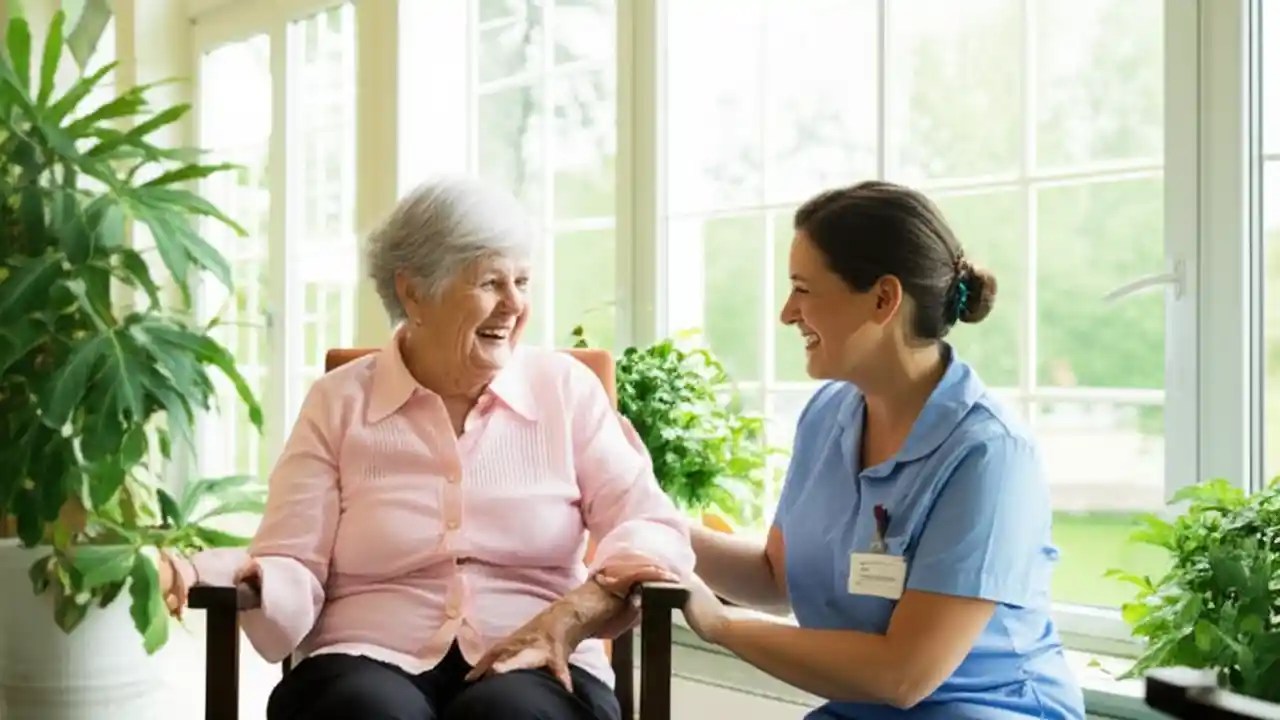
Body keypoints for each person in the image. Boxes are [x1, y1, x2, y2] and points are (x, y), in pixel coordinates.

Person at [157, 176, 694, 720]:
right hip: (365, 655)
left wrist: (581, 608)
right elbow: (291, 558)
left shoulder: (565, 391)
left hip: (538, 655)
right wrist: (218, 570)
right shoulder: (340, 402)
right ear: (414, 292)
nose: (514, 305)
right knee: (368, 713)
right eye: (490, 283)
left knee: (511, 716)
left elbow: (651, 524)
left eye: (523, 282)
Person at [681, 181, 1086, 720]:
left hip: (986, 711)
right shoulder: (827, 415)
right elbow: (777, 579)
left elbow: (905, 673)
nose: (786, 313)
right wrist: (654, 528)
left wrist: (720, 625)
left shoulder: (990, 455)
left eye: (803, 289)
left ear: (883, 299)